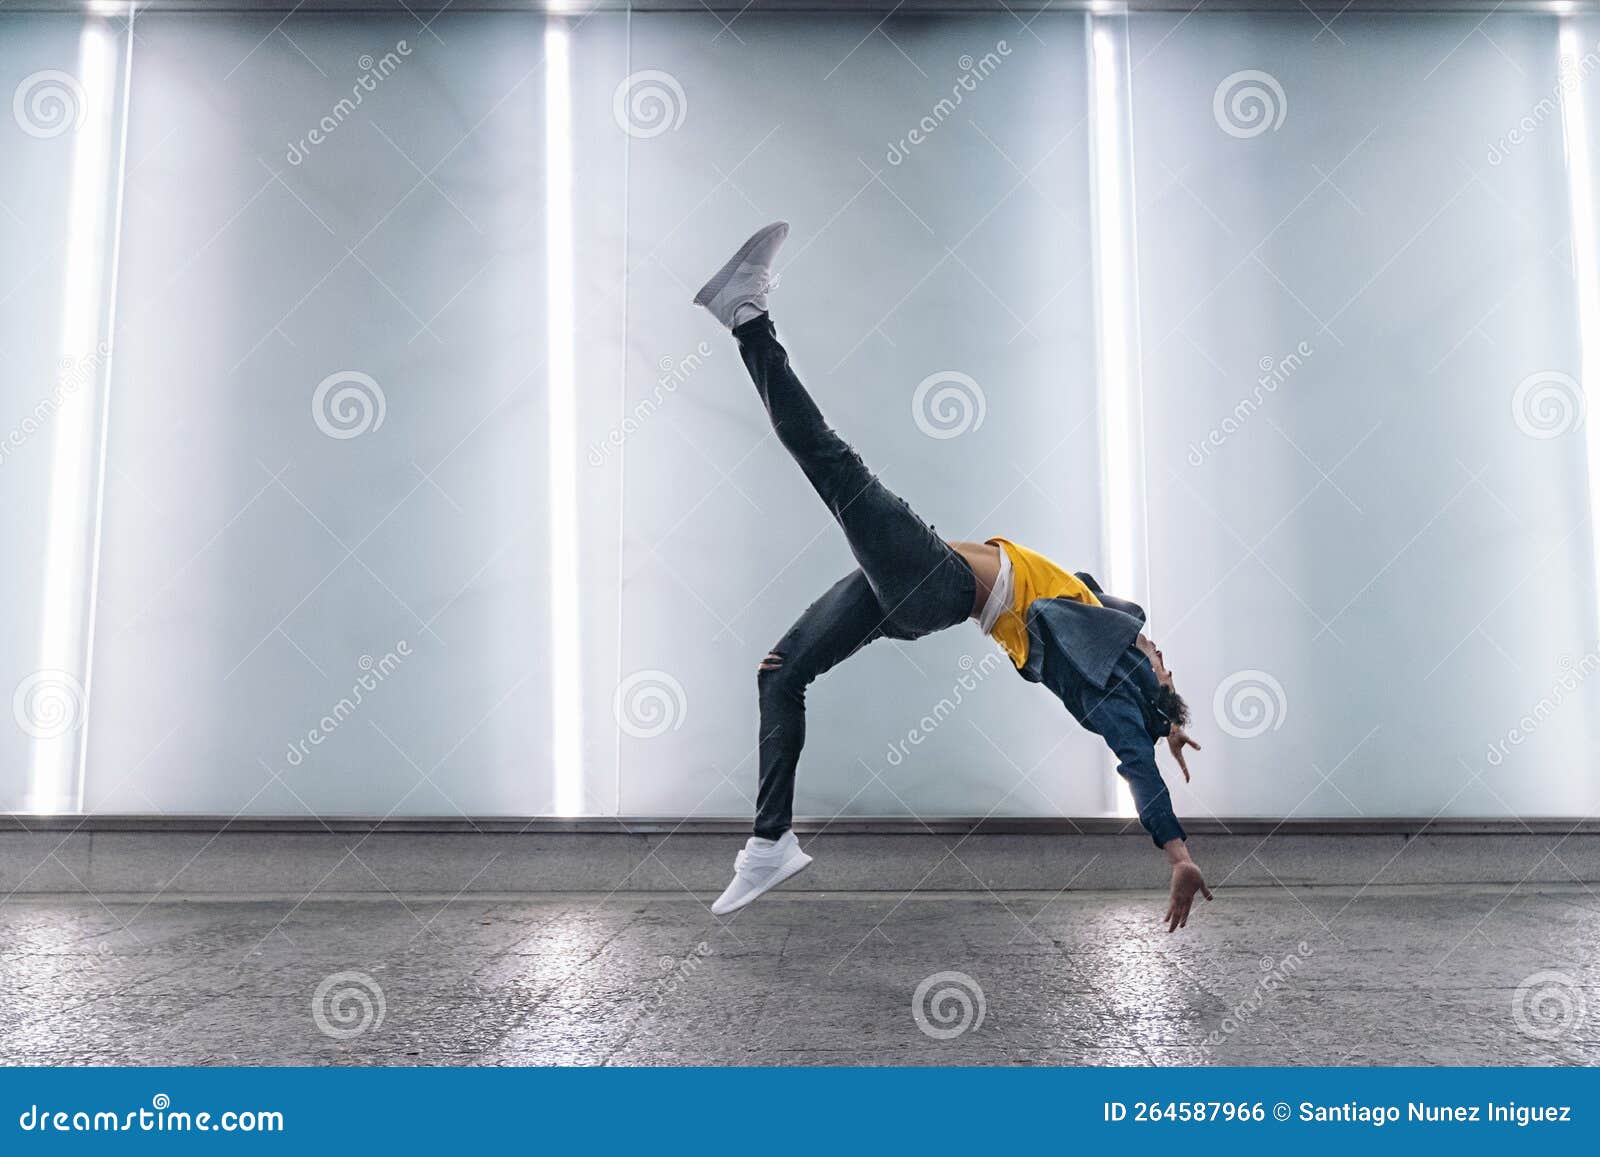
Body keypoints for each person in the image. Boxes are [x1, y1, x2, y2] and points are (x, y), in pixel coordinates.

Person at [692, 222, 1212, 932]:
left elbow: (1136, 766)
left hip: (935, 585)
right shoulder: (1108, 613)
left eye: (1164, 667)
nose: (1164, 654)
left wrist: (1177, 848)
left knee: (830, 461)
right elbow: (1138, 629)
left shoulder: (1109, 671)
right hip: (924, 576)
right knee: (780, 673)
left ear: (1143, 677)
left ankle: (746, 314)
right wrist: (1173, 719)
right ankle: (768, 844)